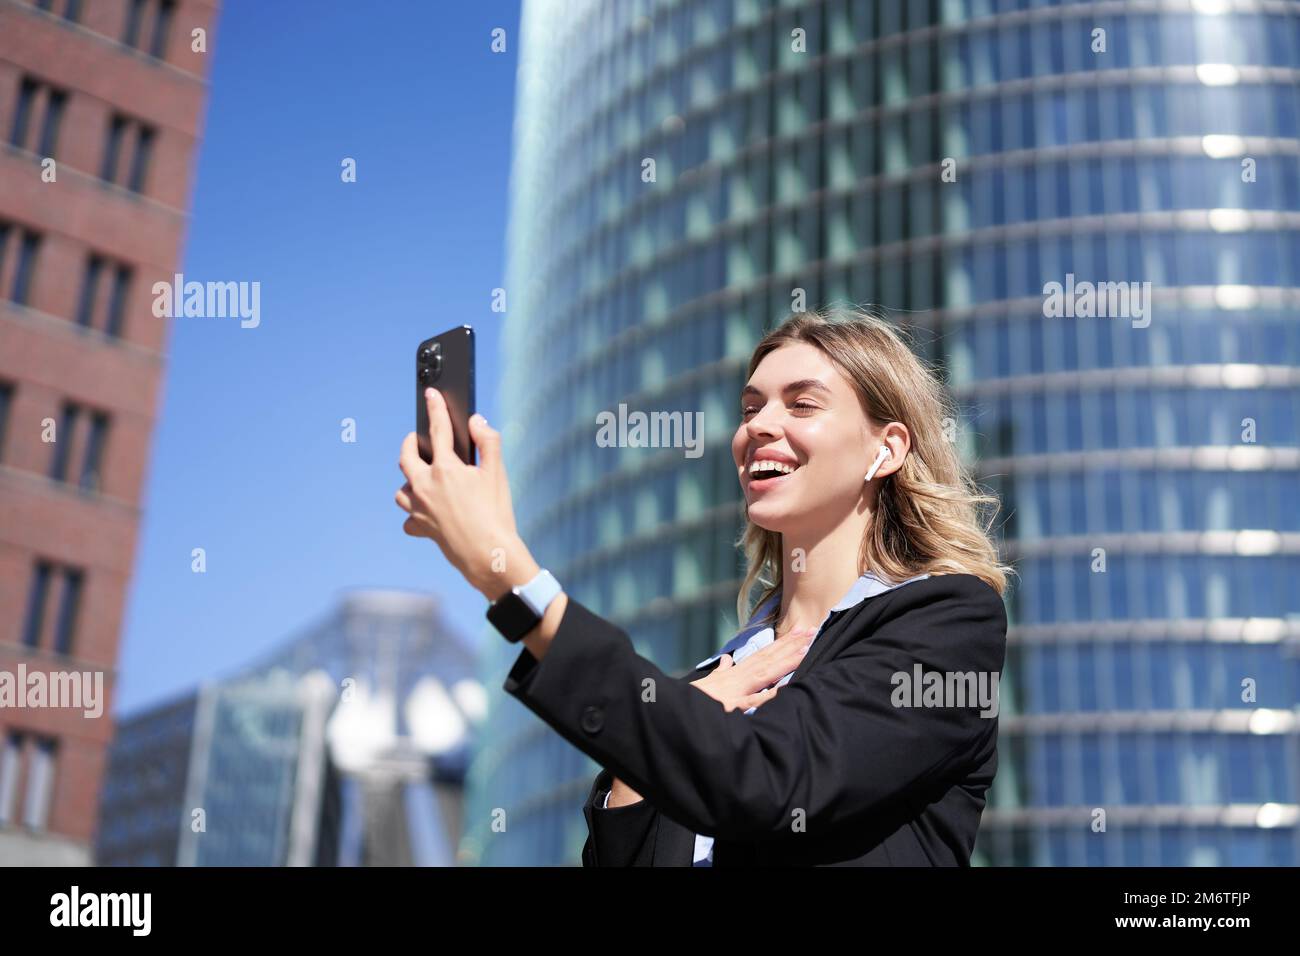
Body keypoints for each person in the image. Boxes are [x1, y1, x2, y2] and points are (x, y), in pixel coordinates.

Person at [395, 305, 1015, 866]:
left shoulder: (949, 622)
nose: (759, 426)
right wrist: (638, 769)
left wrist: (509, 577)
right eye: (750, 409)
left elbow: (772, 780)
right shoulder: (708, 687)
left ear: (887, 449)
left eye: (802, 404)